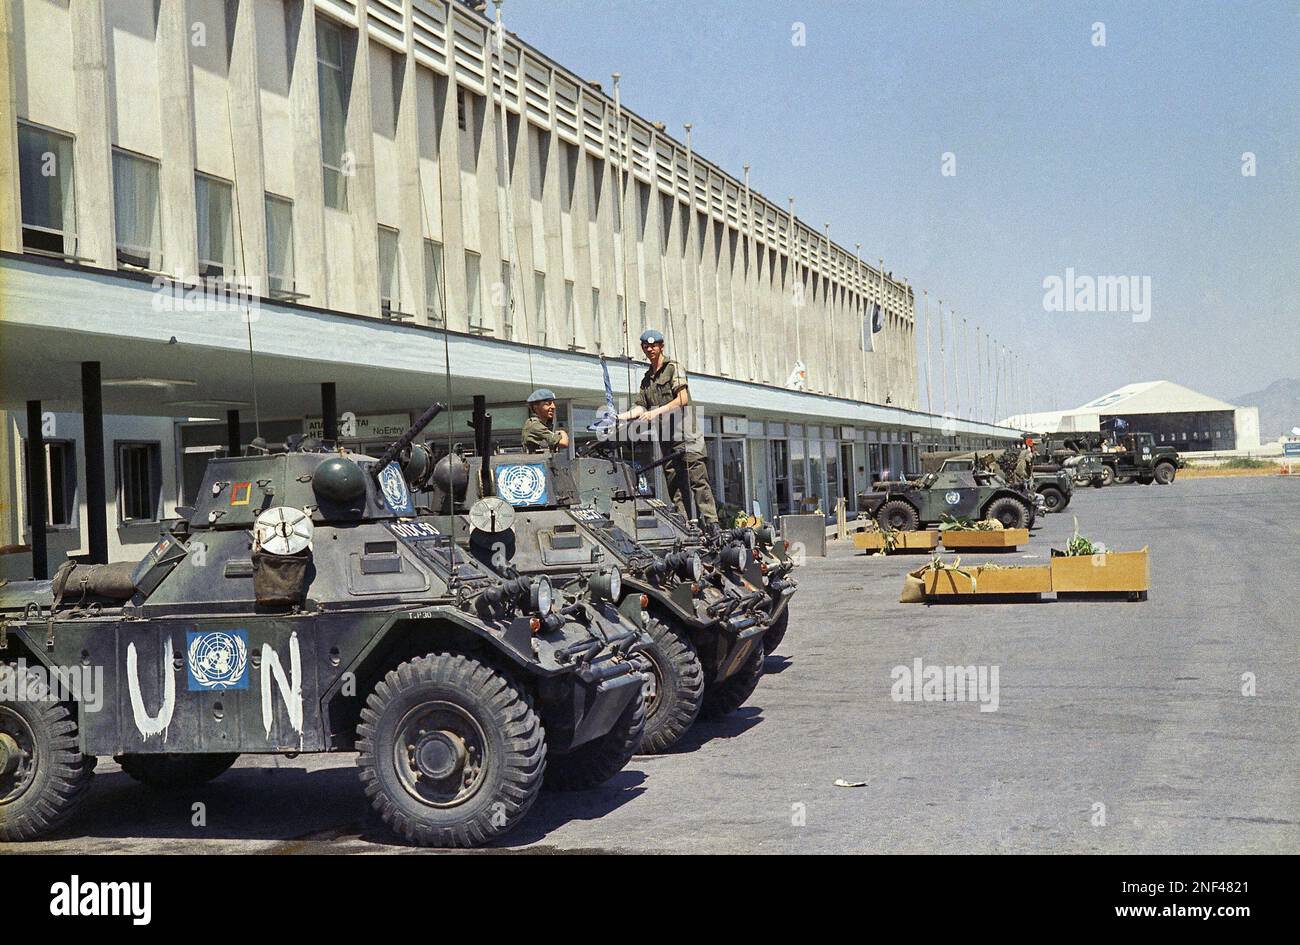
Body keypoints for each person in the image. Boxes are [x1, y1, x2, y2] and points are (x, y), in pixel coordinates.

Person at [617, 329, 719, 528]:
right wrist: (620, 416)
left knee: (697, 480)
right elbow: (640, 406)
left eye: (654, 345)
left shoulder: (673, 368)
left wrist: (655, 413)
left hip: (686, 435)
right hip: (667, 438)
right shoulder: (647, 379)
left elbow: (682, 399)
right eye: (646, 346)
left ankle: (712, 523)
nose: (650, 349)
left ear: (661, 346)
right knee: (675, 483)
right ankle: (684, 524)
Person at [520, 388, 569, 454]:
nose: (553, 406)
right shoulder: (535, 425)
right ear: (535, 407)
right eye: (548, 404)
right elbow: (563, 443)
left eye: (553, 403)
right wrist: (563, 433)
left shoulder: (541, 425)